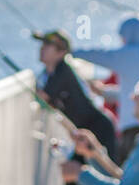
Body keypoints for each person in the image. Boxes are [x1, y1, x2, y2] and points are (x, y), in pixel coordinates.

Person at [73, 17, 139, 163]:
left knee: (124, 169)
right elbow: (129, 94)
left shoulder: (130, 54)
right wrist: (104, 92)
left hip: (132, 127)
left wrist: (72, 52)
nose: (121, 40)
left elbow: (101, 56)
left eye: (122, 36)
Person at [34, 28, 118, 160]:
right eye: (42, 44)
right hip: (85, 132)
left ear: (61, 52)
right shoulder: (51, 74)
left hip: (98, 130)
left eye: (47, 45)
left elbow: (44, 97)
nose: (42, 48)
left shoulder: (62, 71)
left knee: (99, 172)